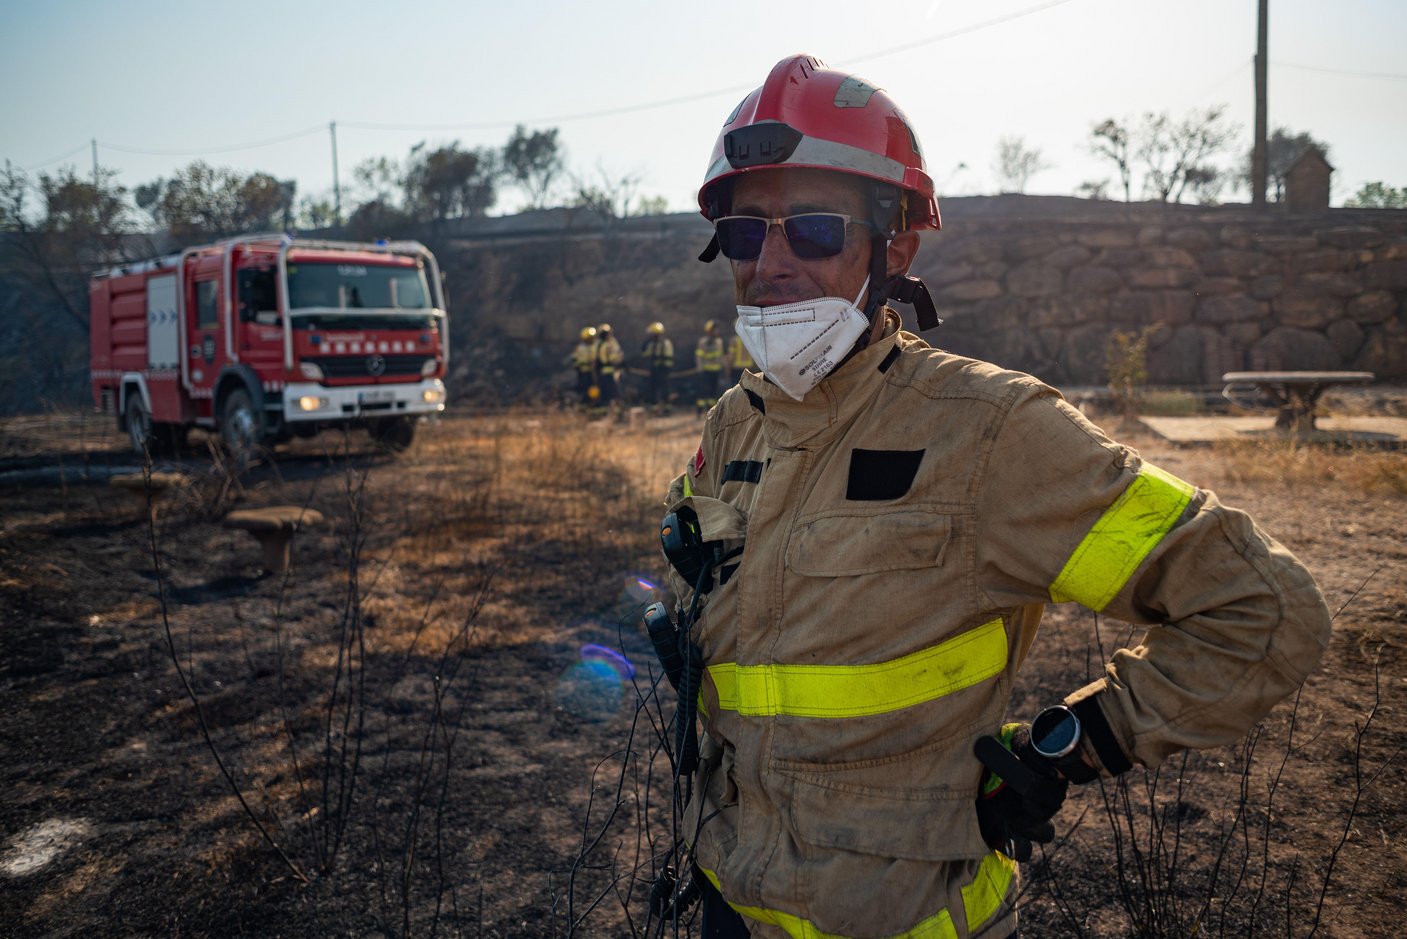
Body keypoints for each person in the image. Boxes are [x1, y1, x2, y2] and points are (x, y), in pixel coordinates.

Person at [654, 54, 1331, 939]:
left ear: (895, 247)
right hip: (730, 905)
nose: (771, 262)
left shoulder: (991, 430)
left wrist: (1079, 742)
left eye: (814, 230)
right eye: (746, 233)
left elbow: (1265, 608)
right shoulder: (732, 426)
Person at [641, 321, 675, 412]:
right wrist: (645, 343)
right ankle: (654, 408)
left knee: (665, 389)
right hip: (654, 369)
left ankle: (667, 408)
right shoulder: (652, 344)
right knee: (653, 389)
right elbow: (645, 354)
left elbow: (669, 358)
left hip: (663, 370)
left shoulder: (666, 343)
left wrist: (665, 369)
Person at [694, 319, 725, 415]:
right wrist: (700, 368)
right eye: (714, 329)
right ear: (709, 330)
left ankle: (710, 411)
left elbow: (720, 356)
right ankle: (699, 410)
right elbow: (699, 356)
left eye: (717, 329)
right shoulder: (703, 342)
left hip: (716, 370)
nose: (716, 331)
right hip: (705, 370)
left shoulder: (719, 341)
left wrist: (724, 367)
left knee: (713, 391)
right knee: (703, 391)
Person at [594, 322, 625, 417]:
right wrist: (620, 359)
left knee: (604, 394)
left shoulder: (598, 345)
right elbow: (614, 359)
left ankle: (605, 413)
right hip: (610, 372)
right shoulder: (608, 345)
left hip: (601, 373)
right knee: (615, 393)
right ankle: (618, 413)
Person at [569, 325, 599, 409]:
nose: (592, 339)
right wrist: (579, 366)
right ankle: (584, 404)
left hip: (594, 372)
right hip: (583, 373)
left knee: (594, 388)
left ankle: (593, 403)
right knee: (585, 388)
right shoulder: (580, 348)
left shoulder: (595, 346)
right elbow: (574, 360)